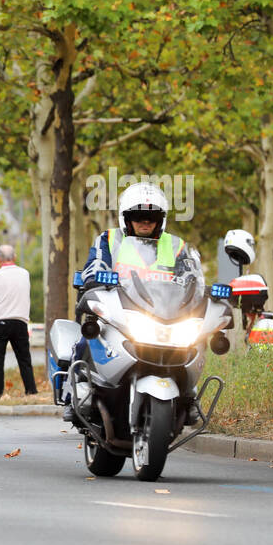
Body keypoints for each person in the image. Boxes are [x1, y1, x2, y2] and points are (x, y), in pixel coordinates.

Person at [63, 180, 203, 422]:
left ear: (161, 219)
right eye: (137, 216)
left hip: (165, 314)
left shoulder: (176, 245)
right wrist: (94, 278)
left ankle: (189, 396)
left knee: (196, 341)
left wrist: (201, 289)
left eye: (151, 217)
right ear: (126, 218)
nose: (144, 222)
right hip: (120, 309)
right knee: (87, 337)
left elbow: (192, 274)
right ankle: (75, 391)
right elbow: (94, 265)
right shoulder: (108, 240)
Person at [0, 245, 37, 399]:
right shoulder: (24, 274)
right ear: (14, 257)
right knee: (24, 358)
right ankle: (31, 390)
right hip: (20, 321)